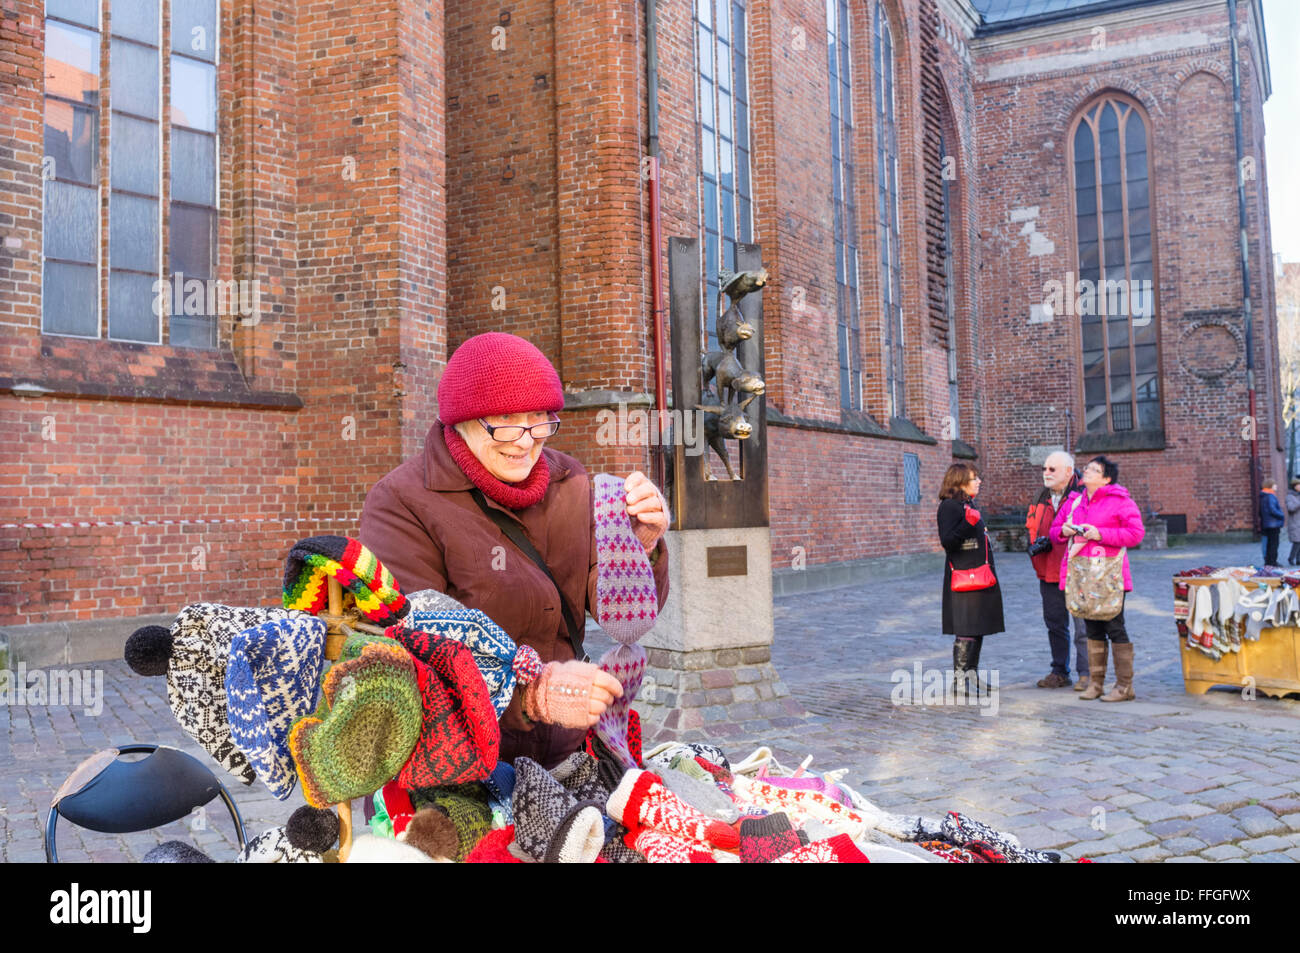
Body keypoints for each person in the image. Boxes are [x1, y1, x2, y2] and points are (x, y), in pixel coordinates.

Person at [358, 332, 671, 769]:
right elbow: (417, 647)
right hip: (463, 766)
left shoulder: (571, 482)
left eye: (540, 418)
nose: (525, 440)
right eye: (505, 419)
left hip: (566, 753)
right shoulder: (402, 501)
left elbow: (620, 615)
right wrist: (532, 696)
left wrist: (639, 546)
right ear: (460, 420)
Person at [1050, 455, 1144, 702]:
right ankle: (1096, 683)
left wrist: (1100, 534)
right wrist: (1064, 531)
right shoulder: (1076, 502)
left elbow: (1135, 534)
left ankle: (1125, 686)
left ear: (1106, 478)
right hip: (1083, 575)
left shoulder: (1121, 502)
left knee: (1114, 625)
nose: (1087, 472)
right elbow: (1054, 531)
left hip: (1109, 575)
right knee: (1091, 626)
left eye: (1094, 470)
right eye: (1087, 468)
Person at [937, 463, 1005, 693]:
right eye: (974, 478)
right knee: (966, 627)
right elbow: (948, 541)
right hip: (964, 577)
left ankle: (971, 677)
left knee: (977, 626)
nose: (979, 482)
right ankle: (959, 682)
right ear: (959, 481)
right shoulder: (949, 507)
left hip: (979, 575)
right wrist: (969, 524)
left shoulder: (968, 504)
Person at [1026, 451, 1090, 689]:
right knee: (1055, 624)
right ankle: (1059, 671)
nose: (1046, 473)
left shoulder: (1083, 495)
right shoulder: (1040, 495)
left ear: (1068, 472)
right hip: (1048, 571)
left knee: (1083, 626)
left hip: (1077, 571)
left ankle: (1086, 674)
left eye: (1052, 469)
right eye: (1045, 469)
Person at [1259, 478, 1284, 567]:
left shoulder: (1263, 495)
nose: (1276, 486)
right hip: (1273, 524)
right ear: (1270, 485)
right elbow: (1273, 510)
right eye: (1274, 484)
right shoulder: (1270, 496)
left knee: (1269, 544)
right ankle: (1272, 562)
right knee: (1274, 544)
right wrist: (1281, 515)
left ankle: (1269, 562)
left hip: (1267, 524)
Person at [1285, 478, 1300, 566]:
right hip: (1295, 523)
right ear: (1295, 486)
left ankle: (1298, 560)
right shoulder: (1289, 496)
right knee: (1297, 542)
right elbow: (1291, 508)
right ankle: (1291, 558)